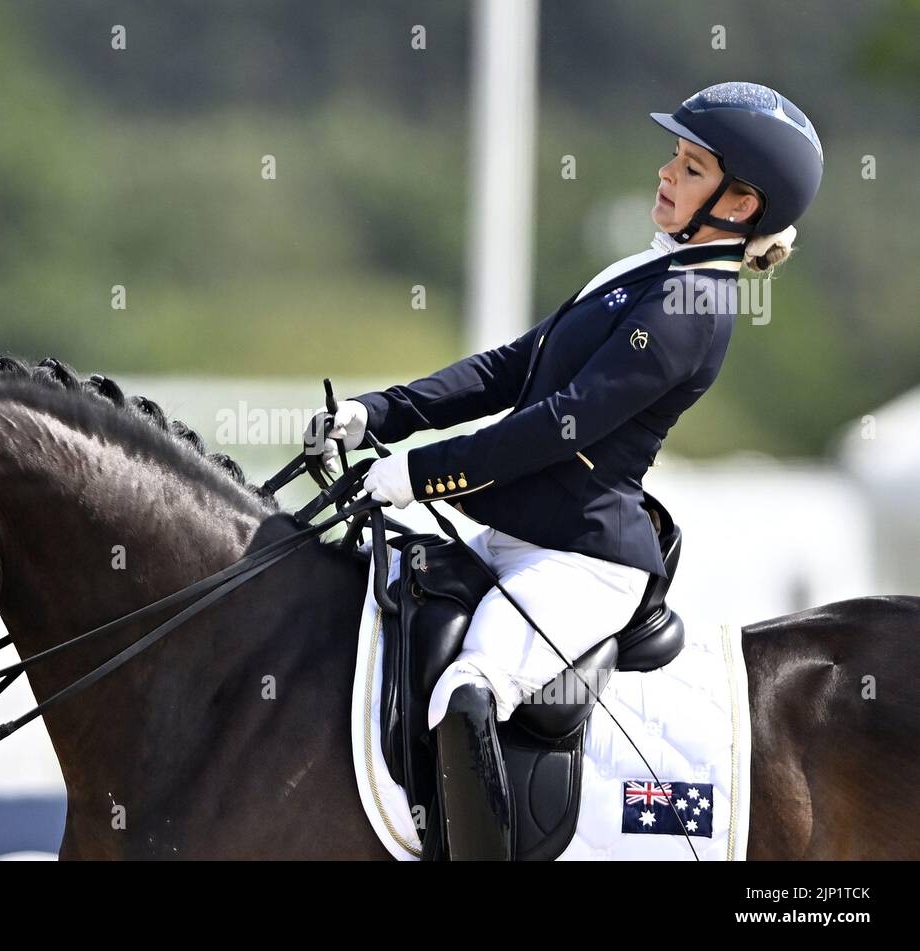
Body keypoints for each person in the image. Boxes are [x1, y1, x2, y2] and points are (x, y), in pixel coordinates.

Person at [304, 82, 823, 859]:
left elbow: (558, 425)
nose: (664, 174)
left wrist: (423, 474)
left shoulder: (692, 304)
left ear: (740, 204)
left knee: (466, 692)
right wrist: (381, 413)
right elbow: (515, 367)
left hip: (581, 559)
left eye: (688, 167)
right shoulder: (650, 271)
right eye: (675, 160)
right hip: (519, 534)